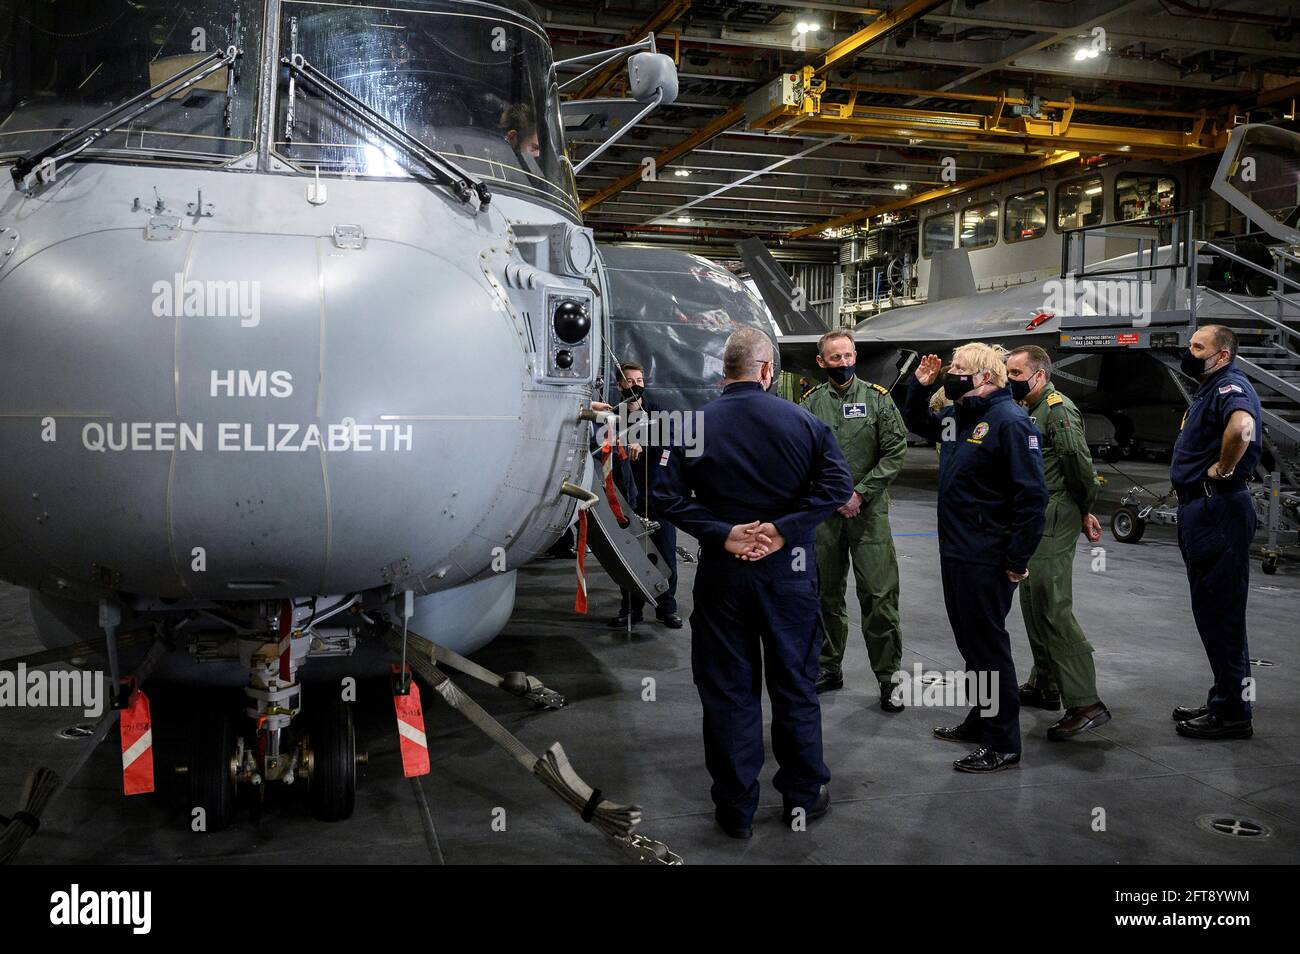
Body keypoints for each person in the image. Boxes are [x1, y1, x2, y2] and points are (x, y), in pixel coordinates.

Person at [652, 327, 852, 838]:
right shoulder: (805, 422)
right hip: (790, 575)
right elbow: (837, 488)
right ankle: (803, 797)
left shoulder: (692, 425)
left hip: (724, 577)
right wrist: (783, 532)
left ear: (726, 371)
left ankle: (735, 810)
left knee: (728, 692)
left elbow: (664, 497)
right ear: (768, 371)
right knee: (795, 687)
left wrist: (724, 533)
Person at [904, 343, 1047, 773]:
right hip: (957, 552)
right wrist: (918, 386)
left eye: (958, 368)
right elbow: (917, 424)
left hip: (988, 557)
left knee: (988, 649)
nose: (951, 372)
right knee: (971, 645)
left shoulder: (1010, 423)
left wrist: (1017, 559)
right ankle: (981, 717)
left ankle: (1003, 742)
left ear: (985, 377)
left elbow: (1032, 498)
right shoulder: (959, 417)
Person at [1006, 346, 1111, 740]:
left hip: (1055, 516)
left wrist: (1084, 509)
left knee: (1051, 603)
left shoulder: (1058, 409)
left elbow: (1080, 468)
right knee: (1032, 598)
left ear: (1038, 375)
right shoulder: (1029, 409)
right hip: (1036, 517)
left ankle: (1086, 702)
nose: (1010, 377)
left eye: (1016, 371)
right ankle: (1046, 682)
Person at [800, 330, 908, 711]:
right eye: (835, 358)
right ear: (822, 362)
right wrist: (831, 496)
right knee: (826, 595)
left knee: (879, 598)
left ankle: (889, 678)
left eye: (848, 355)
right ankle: (829, 667)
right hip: (826, 517)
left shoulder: (878, 400)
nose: (843, 363)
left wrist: (861, 492)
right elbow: (803, 459)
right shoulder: (810, 404)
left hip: (869, 515)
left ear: (855, 356)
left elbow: (895, 450)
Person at [1169, 325, 1262, 740]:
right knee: (1211, 613)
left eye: (1197, 347)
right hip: (1202, 507)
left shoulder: (1230, 386)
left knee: (1222, 615)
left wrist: (1222, 468)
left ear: (1221, 355)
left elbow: (1242, 428)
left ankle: (1232, 714)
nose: (1189, 352)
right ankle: (1225, 696)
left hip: (1216, 508)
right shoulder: (1211, 388)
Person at [609, 362, 682, 629]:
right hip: (627, 500)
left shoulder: (658, 412)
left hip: (658, 496)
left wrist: (643, 442)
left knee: (665, 551)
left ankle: (667, 607)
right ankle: (631, 608)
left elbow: (669, 448)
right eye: (630, 380)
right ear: (619, 385)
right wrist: (622, 447)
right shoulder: (613, 417)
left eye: (640, 379)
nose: (636, 385)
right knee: (630, 555)